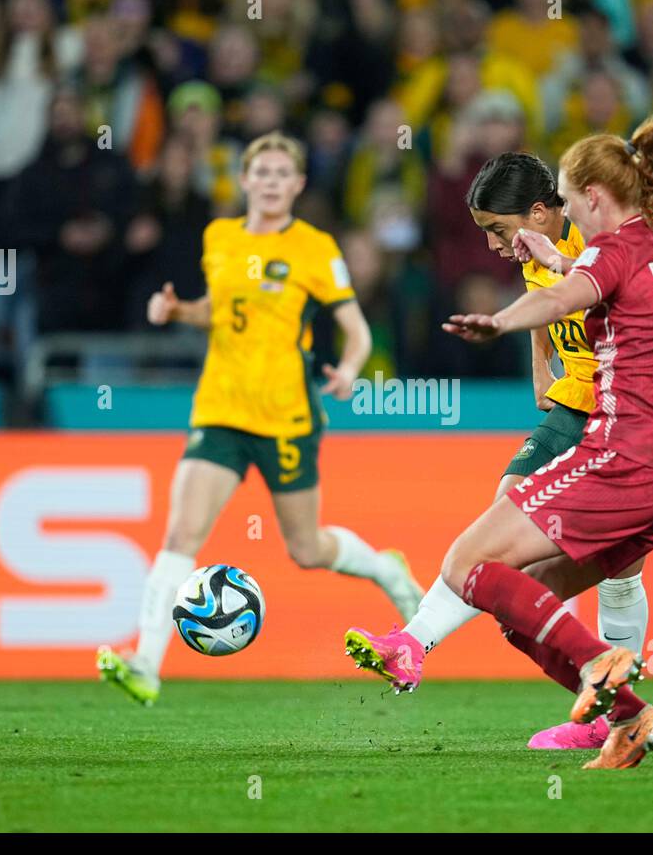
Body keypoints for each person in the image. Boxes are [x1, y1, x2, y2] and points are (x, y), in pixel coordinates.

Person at [345, 95, 653, 769]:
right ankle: (621, 718)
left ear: (593, 197)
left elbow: (563, 297)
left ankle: (604, 684)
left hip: (620, 453)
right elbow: (575, 292)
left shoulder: (609, 251)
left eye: (574, 198)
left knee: (470, 564)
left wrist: (498, 321)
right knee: (520, 600)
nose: (569, 207)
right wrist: (549, 280)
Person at [98, 131, 424, 706]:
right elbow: (224, 312)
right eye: (262, 172)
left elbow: (356, 328)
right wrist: (178, 310)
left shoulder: (314, 247)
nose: (271, 182)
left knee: (306, 549)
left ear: (297, 185)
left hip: (286, 414)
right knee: (181, 533)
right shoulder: (218, 237)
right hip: (220, 408)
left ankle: (386, 570)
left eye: (282, 174)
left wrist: (350, 368)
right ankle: (145, 663)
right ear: (244, 180)